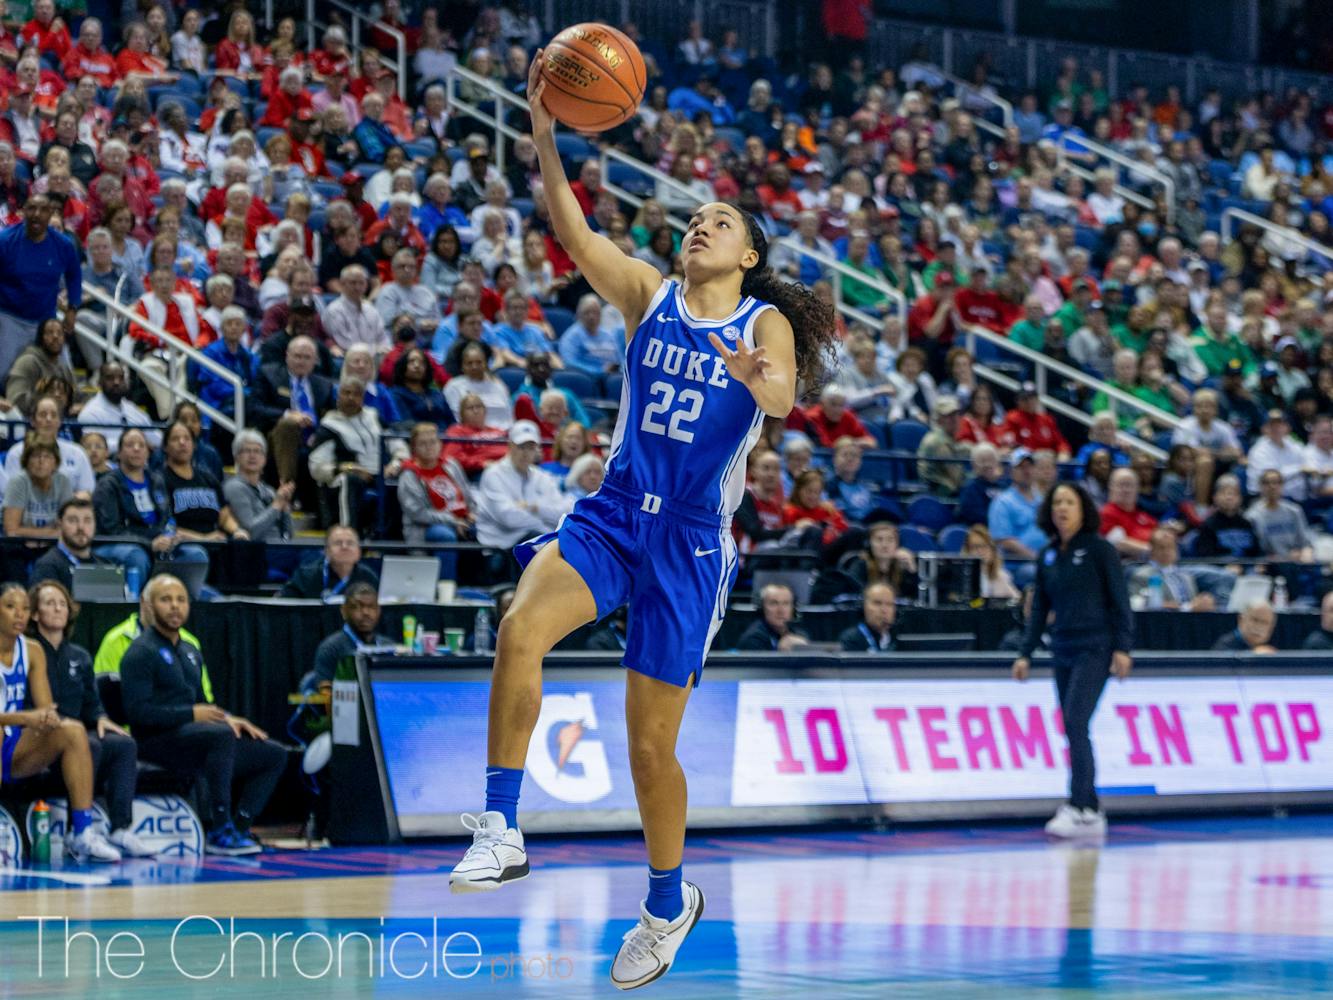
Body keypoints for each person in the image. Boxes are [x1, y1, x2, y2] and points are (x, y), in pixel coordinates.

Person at [448, 54, 836, 991]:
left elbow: (784, 397)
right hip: (615, 513)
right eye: (695, 218)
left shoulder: (758, 324)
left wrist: (760, 378)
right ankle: (500, 826)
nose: (699, 225)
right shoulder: (646, 296)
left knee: (650, 750)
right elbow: (573, 229)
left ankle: (666, 903)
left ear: (746, 257)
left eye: (721, 223)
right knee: (518, 629)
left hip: (691, 543)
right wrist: (542, 134)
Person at [120, 574, 285, 855]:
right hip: (155, 742)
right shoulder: (140, 652)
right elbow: (138, 713)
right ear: (148, 604)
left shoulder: (190, 650)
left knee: (273, 753)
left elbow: (201, 704)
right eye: (166, 599)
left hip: (194, 739)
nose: (175, 606)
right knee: (219, 736)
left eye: (181, 600)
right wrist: (192, 715)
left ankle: (239, 827)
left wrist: (227, 718)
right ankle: (219, 828)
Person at [1011, 482, 1133, 839]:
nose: (1062, 508)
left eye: (1070, 502)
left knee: (1075, 721)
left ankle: (1082, 805)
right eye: (1057, 502)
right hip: (1061, 648)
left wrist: (1123, 647)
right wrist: (1025, 652)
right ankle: (1088, 806)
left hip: (1095, 647)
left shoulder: (1100, 550)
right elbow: (1040, 610)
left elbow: (1119, 601)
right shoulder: (1048, 554)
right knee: (1070, 725)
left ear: (1083, 509)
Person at [27, 579, 155, 856]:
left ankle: (121, 828)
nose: (58, 609)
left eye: (62, 603)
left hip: (75, 730)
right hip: (42, 735)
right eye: (50, 603)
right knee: (89, 744)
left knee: (123, 743)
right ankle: (79, 831)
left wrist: (100, 716)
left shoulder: (80, 656)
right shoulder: (29, 653)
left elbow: (91, 703)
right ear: (35, 614)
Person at [0, 582, 121, 861]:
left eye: (24, 608)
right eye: (10, 607)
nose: (19, 614)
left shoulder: (32, 651)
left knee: (72, 730)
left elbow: (44, 710)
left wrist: (47, 716)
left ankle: (81, 834)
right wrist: (25, 717)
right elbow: (27, 716)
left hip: (15, 744)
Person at [0, 195, 83, 381]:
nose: (36, 214)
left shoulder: (64, 245)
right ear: (23, 212)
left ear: (51, 213)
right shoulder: (5, 241)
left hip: (46, 319)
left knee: (63, 377)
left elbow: (75, 275)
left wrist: (73, 308)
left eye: (43, 209)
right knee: (4, 375)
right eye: (31, 208)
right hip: (9, 318)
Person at [310, 375, 408, 530]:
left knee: (406, 476)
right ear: (338, 396)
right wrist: (347, 467)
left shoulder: (375, 417)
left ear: (362, 397)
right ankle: (347, 535)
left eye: (356, 394)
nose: (351, 398)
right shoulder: (328, 426)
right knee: (350, 480)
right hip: (345, 478)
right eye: (346, 393)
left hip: (381, 475)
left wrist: (394, 465)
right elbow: (316, 467)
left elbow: (400, 448)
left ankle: (395, 542)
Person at [472, 420, 571, 553]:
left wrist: (535, 508)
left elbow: (563, 511)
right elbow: (509, 517)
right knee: (545, 544)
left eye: (530, 447)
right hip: (499, 543)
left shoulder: (542, 476)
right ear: (510, 446)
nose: (525, 453)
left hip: (534, 538)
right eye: (521, 447)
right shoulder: (493, 474)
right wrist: (546, 527)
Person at [398, 423, 473, 582]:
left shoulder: (451, 465)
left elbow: (467, 494)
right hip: (425, 527)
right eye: (423, 444)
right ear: (414, 448)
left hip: (461, 519)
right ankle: (446, 586)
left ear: (440, 444)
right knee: (444, 536)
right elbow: (418, 513)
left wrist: (473, 514)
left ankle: (481, 586)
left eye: (433, 442)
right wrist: (452, 521)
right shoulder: (409, 475)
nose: (429, 447)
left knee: (485, 530)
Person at [303, 582, 395, 694]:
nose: (365, 612)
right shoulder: (330, 648)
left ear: (379, 611)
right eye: (357, 606)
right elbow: (325, 695)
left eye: (371, 607)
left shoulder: (388, 646)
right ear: (343, 611)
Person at [223, 430, 294, 543]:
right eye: (247, 451)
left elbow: (289, 534)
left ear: (265, 459)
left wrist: (285, 509)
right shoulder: (234, 487)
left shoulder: (269, 490)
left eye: (257, 451)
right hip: (255, 552)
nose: (252, 455)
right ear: (236, 457)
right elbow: (251, 532)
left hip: (279, 549)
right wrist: (276, 505)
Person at [76, 360, 159, 453]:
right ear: (99, 382)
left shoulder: (133, 409)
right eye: (110, 378)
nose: (116, 382)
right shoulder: (90, 413)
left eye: (121, 378)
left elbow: (155, 437)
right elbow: (94, 447)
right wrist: (134, 444)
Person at [279, 524, 380, 600]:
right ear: (326, 550)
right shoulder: (305, 576)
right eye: (338, 543)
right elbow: (284, 607)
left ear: (358, 552)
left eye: (350, 543)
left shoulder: (368, 577)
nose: (344, 547)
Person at [1129, 528, 1216, 611]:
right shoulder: (1142, 575)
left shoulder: (1186, 576)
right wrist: (1186, 608)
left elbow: (1194, 604)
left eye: (1171, 547)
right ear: (1152, 550)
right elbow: (1138, 604)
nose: (1166, 552)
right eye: (1162, 548)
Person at [30, 497, 106, 592]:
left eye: (87, 520)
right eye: (72, 520)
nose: (81, 527)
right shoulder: (47, 566)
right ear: (59, 524)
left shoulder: (105, 566)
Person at [4, 438, 72, 538]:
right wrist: (50, 533)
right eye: (35, 456)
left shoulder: (63, 481)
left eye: (47, 456)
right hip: (20, 545)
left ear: (56, 463)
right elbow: (11, 530)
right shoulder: (18, 482)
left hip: (53, 546)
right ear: (26, 462)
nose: (41, 461)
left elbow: (68, 526)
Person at [1099, 467, 1157, 560]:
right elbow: (1117, 542)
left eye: (1130, 485)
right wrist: (1153, 550)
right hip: (1129, 564)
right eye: (1121, 485)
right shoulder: (1106, 513)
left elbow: (1158, 534)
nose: (1126, 490)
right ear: (1111, 487)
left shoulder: (1142, 515)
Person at [917, 394, 969, 495]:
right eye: (948, 416)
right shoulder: (938, 441)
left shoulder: (946, 437)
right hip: (939, 495)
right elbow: (957, 479)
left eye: (956, 414)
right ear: (938, 419)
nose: (954, 419)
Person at [734, 582, 811, 650]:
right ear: (762, 608)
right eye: (774, 603)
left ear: (793, 608)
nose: (781, 610)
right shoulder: (752, 640)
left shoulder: (799, 634)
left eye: (786, 603)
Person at [964, 525, 1019, 600]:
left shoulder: (1001, 576)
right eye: (975, 547)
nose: (980, 551)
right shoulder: (961, 580)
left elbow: (1016, 600)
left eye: (984, 546)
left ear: (993, 550)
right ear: (967, 551)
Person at [838, 582, 896, 651]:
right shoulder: (851, 639)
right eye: (877, 603)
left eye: (889, 604)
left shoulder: (899, 638)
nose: (884, 610)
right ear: (864, 606)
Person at [1212, 600, 1277, 653]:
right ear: (1241, 619)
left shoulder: (1270, 650)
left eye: (1265, 622)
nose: (1259, 627)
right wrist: (1254, 656)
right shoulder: (1224, 646)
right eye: (1255, 620)